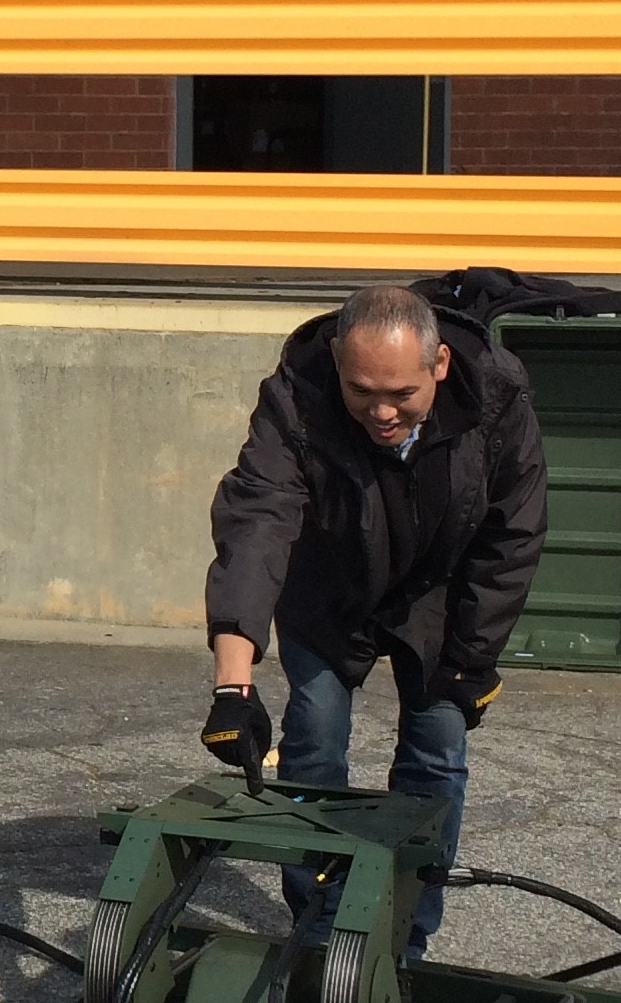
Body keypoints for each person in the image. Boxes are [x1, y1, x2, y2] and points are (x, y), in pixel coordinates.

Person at [200, 283, 546, 957]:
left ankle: (403, 933)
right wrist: (231, 686)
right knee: (314, 742)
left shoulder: (496, 397)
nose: (381, 411)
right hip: (328, 583)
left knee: (437, 747)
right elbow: (257, 522)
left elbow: (513, 535)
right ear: (335, 361)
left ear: (439, 364)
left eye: (401, 395)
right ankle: (319, 924)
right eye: (362, 392)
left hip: (439, 588)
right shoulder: (296, 396)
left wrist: (471, 660)